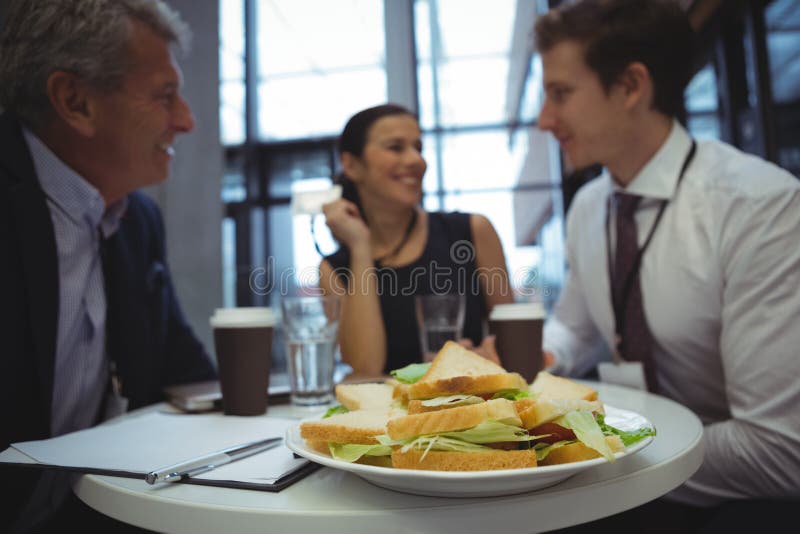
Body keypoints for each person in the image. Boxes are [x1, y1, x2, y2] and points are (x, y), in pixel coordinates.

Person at [529, 0, 800, 530]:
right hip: (634, 482)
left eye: (560, 94)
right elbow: (577, 327)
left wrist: (598, 454)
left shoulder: (758, 204)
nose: (544, 119)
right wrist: (546, 351)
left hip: (739, 502)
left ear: (631, 87)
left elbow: (779, 450)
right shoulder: (589, 205)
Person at [0, 1, 217, 532]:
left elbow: (183, 373)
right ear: (75, 101)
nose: (186, 121)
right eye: (164, 96)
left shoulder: (135, 218)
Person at [318, 104, 514, 376]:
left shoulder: (472, 231)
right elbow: (366, 368)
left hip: (468, 407)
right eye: (396, 147)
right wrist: (360, 248)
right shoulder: (334, 269)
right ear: (351, 165)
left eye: (418, 147)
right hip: (389, 415)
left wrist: (487, 357)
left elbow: (516, 343)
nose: (416, 160)